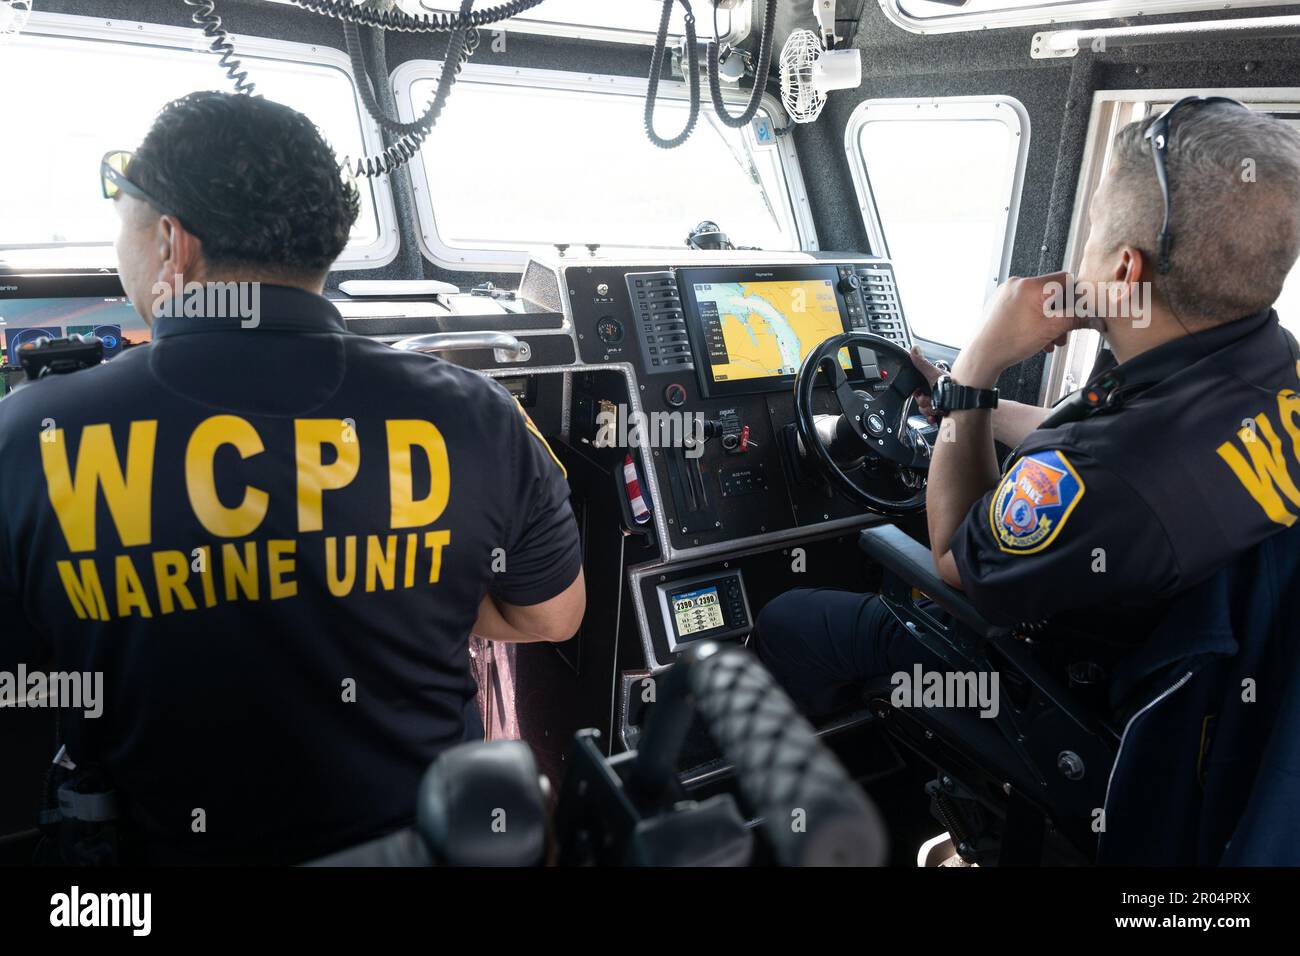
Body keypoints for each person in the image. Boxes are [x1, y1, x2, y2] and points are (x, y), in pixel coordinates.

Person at [0, 91, 584, 863]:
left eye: (125, 226)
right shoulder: (478, 412)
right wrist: (395, 583)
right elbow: (552, 617)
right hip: (425, 846)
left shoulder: (29, 436)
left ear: (172, 243)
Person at [756, 98, 1300, 720]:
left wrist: (976, 369)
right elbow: (1111, 449)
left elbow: (955, 557)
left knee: (791, 619)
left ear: (1124, 271)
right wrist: (956, 402)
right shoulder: (1270, 362)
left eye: (1093, 227)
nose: (1081, 248)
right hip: (1190, 687)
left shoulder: (1110, 473)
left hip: (1052, 687)